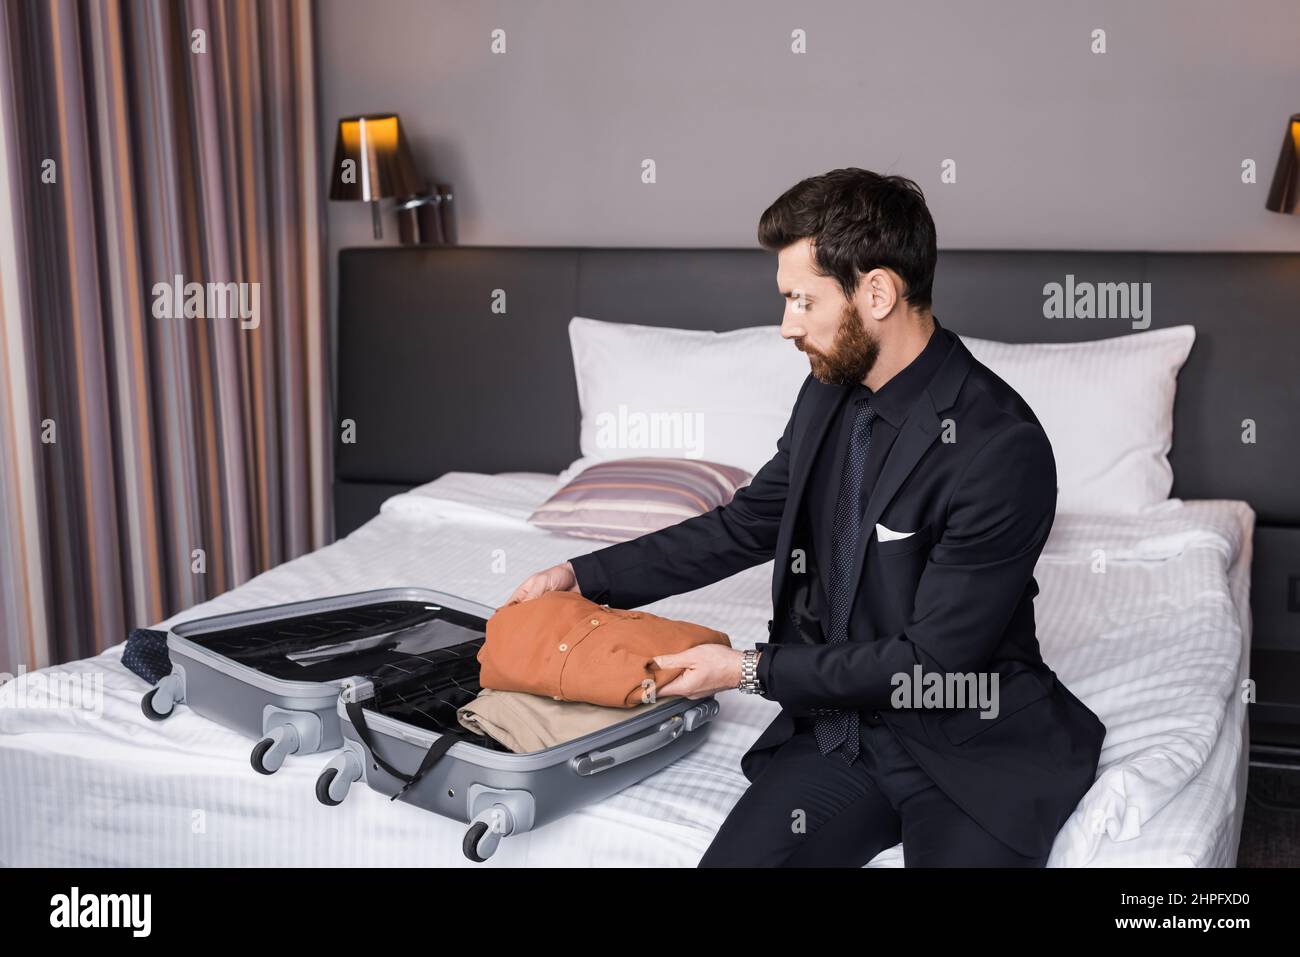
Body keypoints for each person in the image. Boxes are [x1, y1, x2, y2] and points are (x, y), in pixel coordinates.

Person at [507, 169, 1105, 867]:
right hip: (844, 735)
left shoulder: (1000, 445)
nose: (788, 325)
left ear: (876, 292)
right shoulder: (826, 395)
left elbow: (931, 663)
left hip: (968, 744)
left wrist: (747, 670)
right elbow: (744, 524)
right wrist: (582, 575)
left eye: (801, 300)